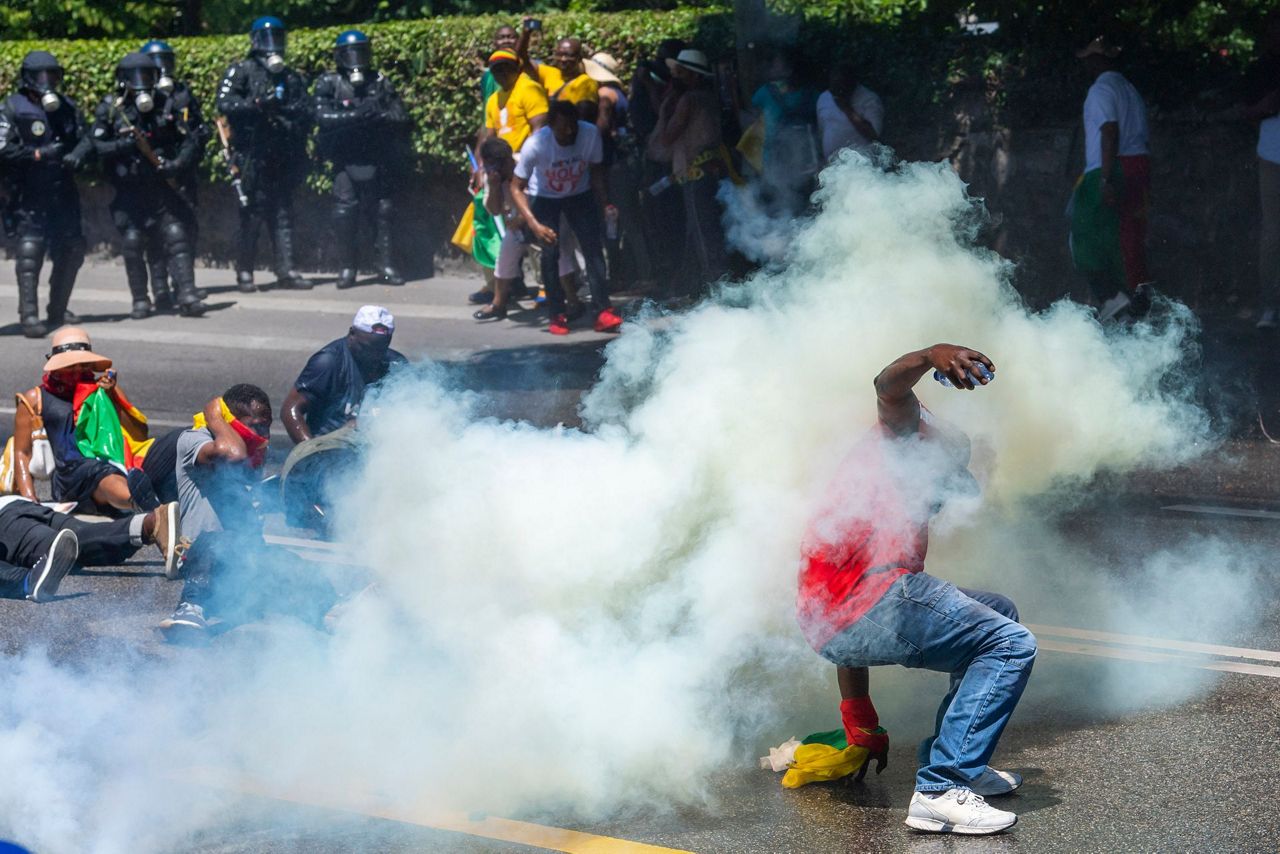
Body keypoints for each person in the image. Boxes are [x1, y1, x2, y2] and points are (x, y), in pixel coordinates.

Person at [798, 343, 1036, 835]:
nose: (946, 494)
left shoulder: (894, 508)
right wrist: (932, 354)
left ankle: (960, 764)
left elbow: (847, 616)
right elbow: (888, 387)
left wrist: (858, 715)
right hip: (858, 608)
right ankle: (941, 787)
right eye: (950, 475)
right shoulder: (900, 441)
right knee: (1010, 644)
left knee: (999, 613)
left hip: (837, 619)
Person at [159, 385, 335, 636]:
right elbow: (232, 454)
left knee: (294, 566)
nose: (263, 435)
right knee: (219, 541)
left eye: (266, 426)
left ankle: (333, 609)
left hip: (240, 566)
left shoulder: (253, 456)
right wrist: (215, 417)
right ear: (230, 421)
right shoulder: (196, 439)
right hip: (200, 557)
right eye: (255, 426)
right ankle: (190, 608)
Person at [92, 52, 207, 319]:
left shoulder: (166, 104)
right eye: (135, 77)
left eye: (147, 76)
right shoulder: (112, 109)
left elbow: (190, 140)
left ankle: (187, 294)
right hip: (129, 192)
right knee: (133, 244)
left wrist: (176, 164)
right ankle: (141, 300)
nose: (142, 83)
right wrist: (123, 145)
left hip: (161, 188)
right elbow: (97, 145)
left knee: (176, 236)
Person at [11, 327, 156, 515]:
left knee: (111, 472)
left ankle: (148, 505)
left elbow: (139, 433)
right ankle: (144, 503)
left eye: (83, 365)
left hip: (106, 465)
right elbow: (22, 452)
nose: (77, 371)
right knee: (103, 474)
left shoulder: (103, 389)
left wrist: (111, 395)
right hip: (68, 476)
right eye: (70, 365)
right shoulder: (35, 398)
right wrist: (30, 499)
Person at [0, 51, 94, 338]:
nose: (47, 82)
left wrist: (78, 154)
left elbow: (88, 137)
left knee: (71, 249)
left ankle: (57, 311)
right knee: (30, 252)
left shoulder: (66, 107)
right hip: (28, 193)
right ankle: (29, 316)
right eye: (42, 76)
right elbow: (2, 148)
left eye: (53, 76)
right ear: (28, 79)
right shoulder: (12, 108)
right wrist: (38, 154)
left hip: (63, 192)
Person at [216, 16, 312, 293]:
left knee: (283, 213)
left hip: (281, 153)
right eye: (267, 39)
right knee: (251, 215)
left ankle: (286, 270)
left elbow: (304, 110)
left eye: (278, 38)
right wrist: (256, 104)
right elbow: (225, 103)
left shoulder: (290, 76)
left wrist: (284, 115)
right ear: (255, 41)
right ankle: (244, 272)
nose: (273, 45)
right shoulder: (241, 70)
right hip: (251, 154)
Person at [510, 100, 622, 335]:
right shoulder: (536, 145)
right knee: (550, 253)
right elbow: (516, 187)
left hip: (579, 194)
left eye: (573, 127)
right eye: (563, 129)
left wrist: (605, 203)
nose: (570, 132)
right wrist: (534, 224)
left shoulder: (589, 133)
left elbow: (596, 171)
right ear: (551, 126)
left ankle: (603, 310)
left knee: (592, 247)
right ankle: (556, 314)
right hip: (545, 197)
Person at [313, 30, 412, 289]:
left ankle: (385, 265)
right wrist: (357, 116)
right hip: (345, 158)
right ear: (339, 56)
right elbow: (321, 116)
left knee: (383, 210)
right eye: (350, 53)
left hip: (376, 156)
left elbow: (401, 116)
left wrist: (381, 116)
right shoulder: (329, 82)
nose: (356, 59)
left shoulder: (379, 81)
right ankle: (348, 267)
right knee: (345, 211)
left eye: (361, 52)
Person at [1069, 35, 1152, 321]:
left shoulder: (1101, 90)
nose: (1086, 64)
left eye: (1089, 58)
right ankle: (1137, 302)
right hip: (1137, 163)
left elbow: (1109, 131)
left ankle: (1111, 297)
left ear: (1098, 59)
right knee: (1128, 234)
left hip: (1110, 167)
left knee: (1081, 230)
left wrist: (1105, 179)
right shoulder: (1130, 89)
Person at [140, 38, 213, 309]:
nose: (163, 69)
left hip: (182, 174)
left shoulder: (182, 94)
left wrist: (180, 163)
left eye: (166, 62)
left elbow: (196, 133)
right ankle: (162, 291)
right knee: (160, 235)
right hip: (152, 177)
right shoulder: (144, 98)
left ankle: (182, 284)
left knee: (186, 230)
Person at [0, 494, 182, 600]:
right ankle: (152, 523)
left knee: (58, 549)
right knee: (82, 534)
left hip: (5, 524)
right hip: (14, 504)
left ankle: (27, 581)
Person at [653, 48, 728, 292]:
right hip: (708, 171)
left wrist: (665, 111)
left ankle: (717, 289)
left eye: (680, 72)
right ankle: (693, 286)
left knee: (703, 234)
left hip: (695, 173)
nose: (675, 77)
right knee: (698, 232)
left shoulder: (689, 100)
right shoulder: (708, 96)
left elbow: (666, 138)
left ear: (691, 75)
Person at [749, 48, 821, 214]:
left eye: (777, 65)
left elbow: (752, 119)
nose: (773, 69)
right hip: (804, 165)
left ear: (790, 69)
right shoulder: (813, 94)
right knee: (803, 210)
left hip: (777, 164)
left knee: (779, 210)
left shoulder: (765, 93)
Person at [1245, 15, 1280, 329]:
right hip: (1272, 153)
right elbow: (1249, 112)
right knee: (1273, 233)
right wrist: (1267, 105)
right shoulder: (1262, 69)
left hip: (1270, 148)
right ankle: (1270, 305)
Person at [816, 63, 883, 160]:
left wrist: (846, 108)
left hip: (862, 163)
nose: (836, 91)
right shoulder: (824, 98)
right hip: (832, 166)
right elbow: (822, 132)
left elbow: (874, 135)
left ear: (850, 82)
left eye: (840, 85)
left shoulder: (869, 99)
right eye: (833, 85)